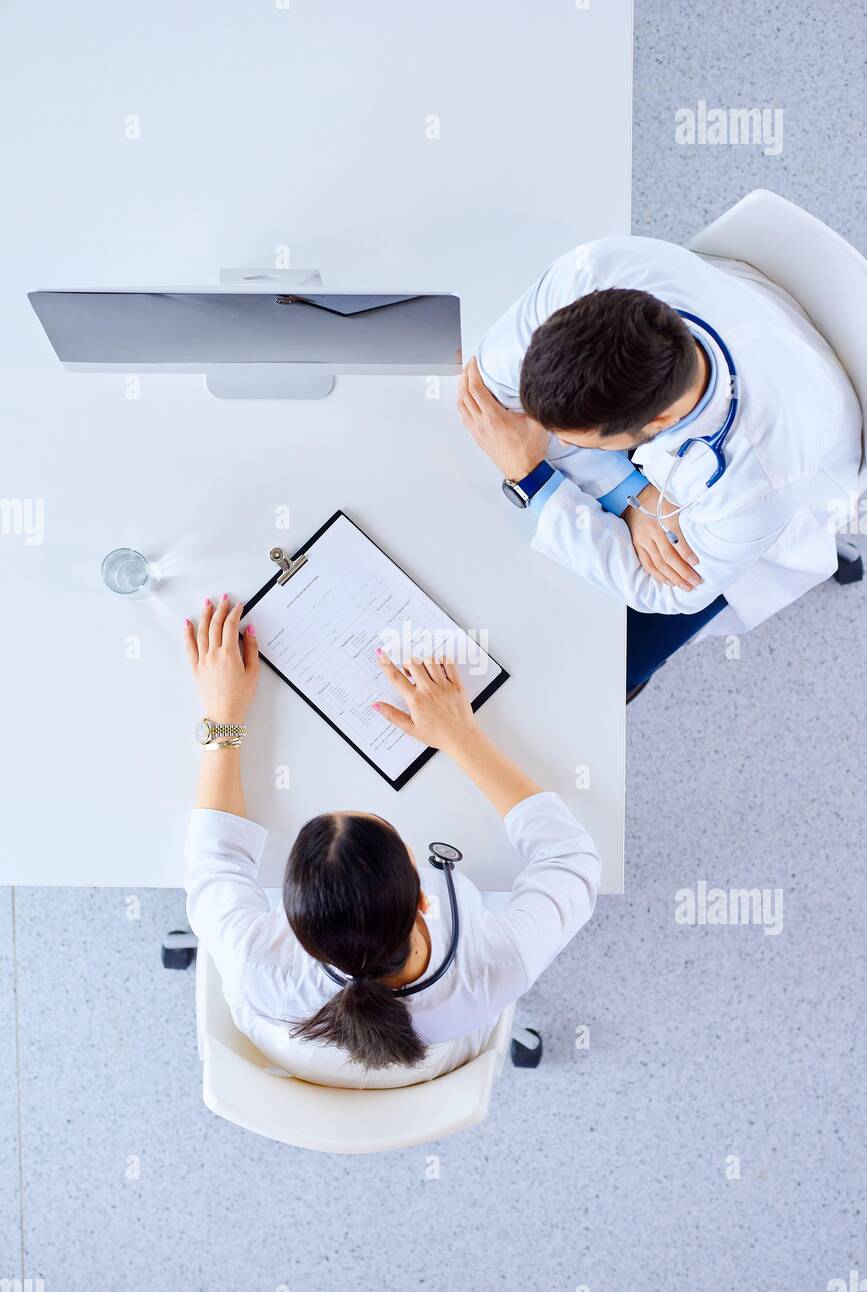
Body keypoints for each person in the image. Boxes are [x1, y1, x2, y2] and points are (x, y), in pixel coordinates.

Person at [182, 595, 600, 1088]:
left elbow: (214, 856)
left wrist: (223, 711)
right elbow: (570, 858)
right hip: (436, 1055)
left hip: (295, 1051)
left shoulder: (256, 961)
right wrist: (462, 737)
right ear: (425, 898)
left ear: (295, 926)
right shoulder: (495, 965)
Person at [457, 235, 862, 699]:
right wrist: (631, 492)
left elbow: (672, 594)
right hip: (756, 316)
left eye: (570, 438)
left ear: (657, 423)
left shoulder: (756, 482)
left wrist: (532, 477)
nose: (549, 437)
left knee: (603, 671)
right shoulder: (593, 273)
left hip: (798, 477)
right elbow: (493, 396)